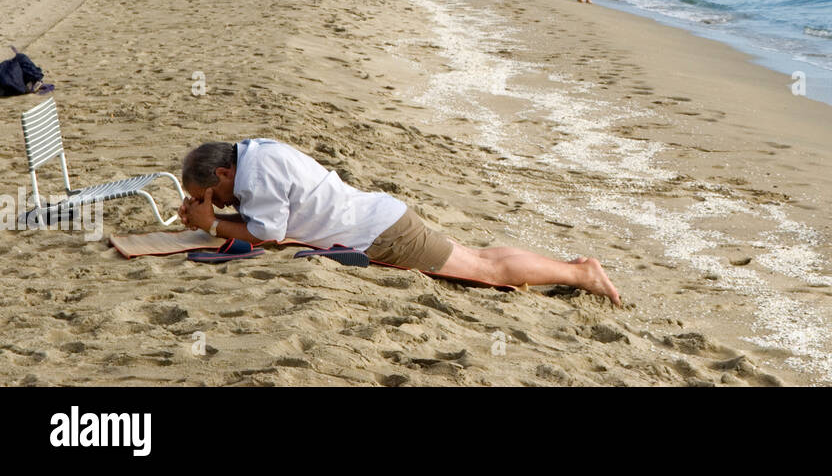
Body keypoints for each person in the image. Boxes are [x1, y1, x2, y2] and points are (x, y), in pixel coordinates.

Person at [177, 139, 621, 304]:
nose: (214, 203)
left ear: (223, 173)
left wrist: (211, 225)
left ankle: (580, 274)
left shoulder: (259, 175)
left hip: (382, 236)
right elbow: (268, 215)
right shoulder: (254, 154)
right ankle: (573, 267)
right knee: (480, 257)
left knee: (486, 272)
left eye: (210, 195)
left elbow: (267, 234)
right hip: (383, 217)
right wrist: (211, 212)